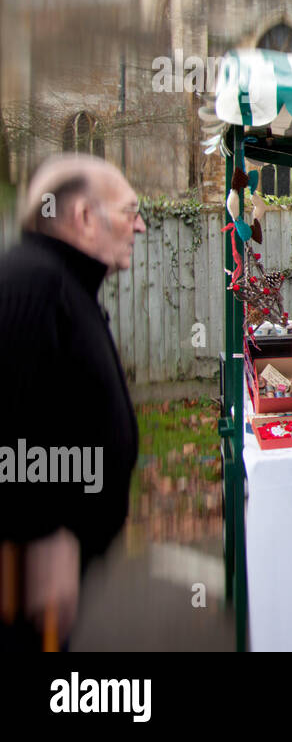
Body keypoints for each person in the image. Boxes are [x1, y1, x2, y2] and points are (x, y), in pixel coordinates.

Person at [0, 155, 144, 651]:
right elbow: (10, 411)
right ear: (85, 217)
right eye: (129, 211)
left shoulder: (63, 282)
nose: (140, 225)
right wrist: (41, 533)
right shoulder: (30, 281)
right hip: (22, 572)